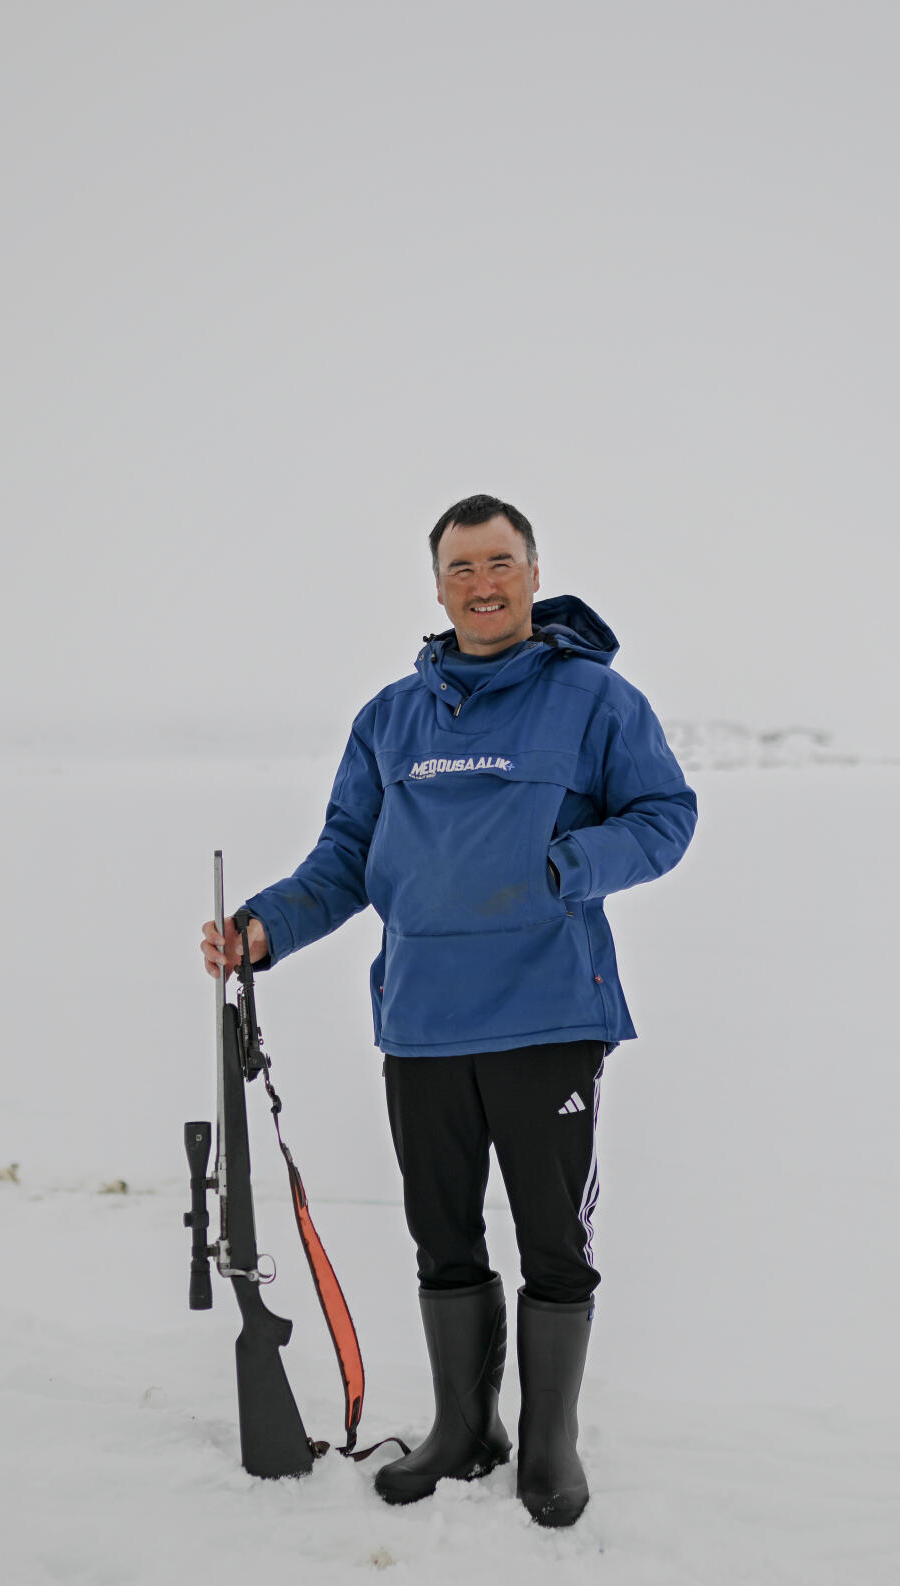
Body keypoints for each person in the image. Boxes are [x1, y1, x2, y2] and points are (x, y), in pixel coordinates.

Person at [197, 494, 696, 1527]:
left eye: (499, 562)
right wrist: (263, 930)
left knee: (553, 1239)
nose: (482, 582)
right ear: (436, 585)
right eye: (462, 566)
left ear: (531, 571)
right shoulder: (390, 717)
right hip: (422, 1020)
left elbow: (664, 816)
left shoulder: (595, 701)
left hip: (548, 1013)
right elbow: (344, 858)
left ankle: (548, 1443)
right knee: (441, 1234)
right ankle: (464, 1429)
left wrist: (564, 863)